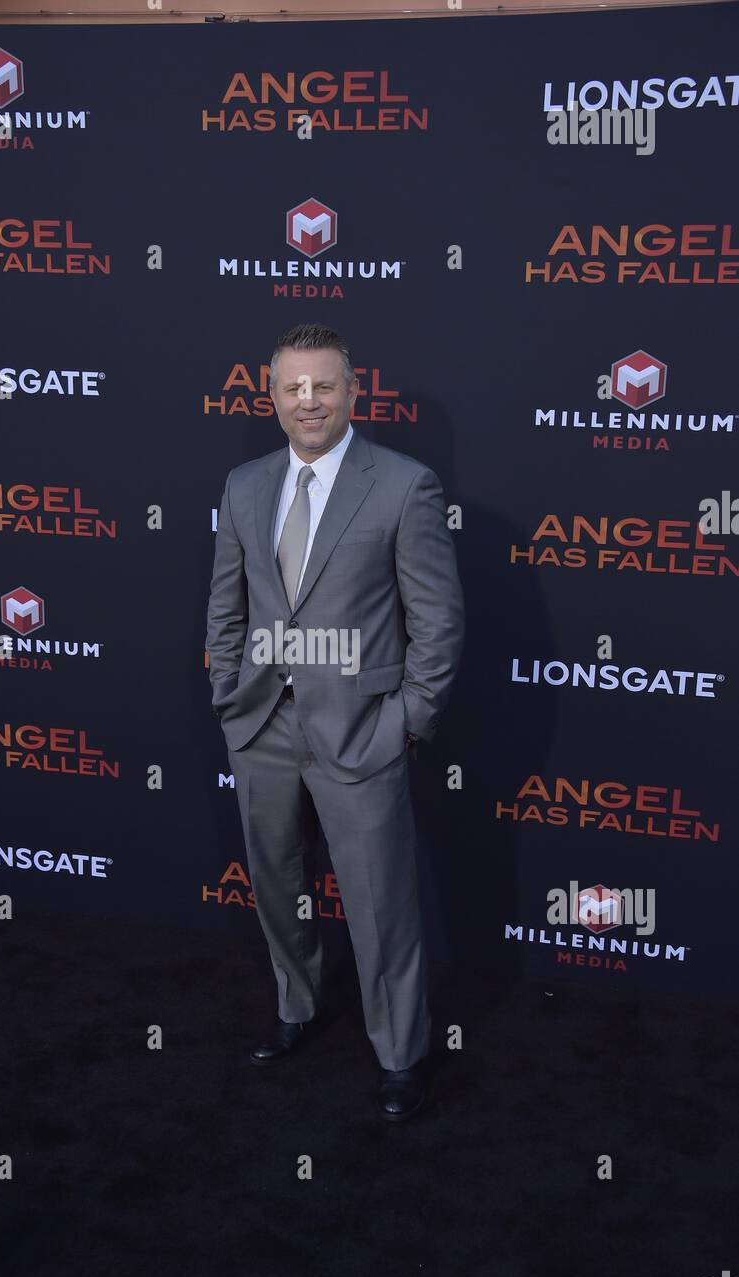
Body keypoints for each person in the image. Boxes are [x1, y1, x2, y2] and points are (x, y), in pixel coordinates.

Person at [206, 323, 464, 1121]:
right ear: (271, 395)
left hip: (361, 733)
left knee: (380, 904)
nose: (307, 401)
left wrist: (406, 724)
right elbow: (227, 604)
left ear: (353, 392)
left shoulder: (403, 484)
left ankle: (401, 1054)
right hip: (261, 729)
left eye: (323, 385)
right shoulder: (244, 485)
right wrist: (227, 691)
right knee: (278, 889)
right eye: (292, 387)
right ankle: (298, 1007)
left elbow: (438, 623)